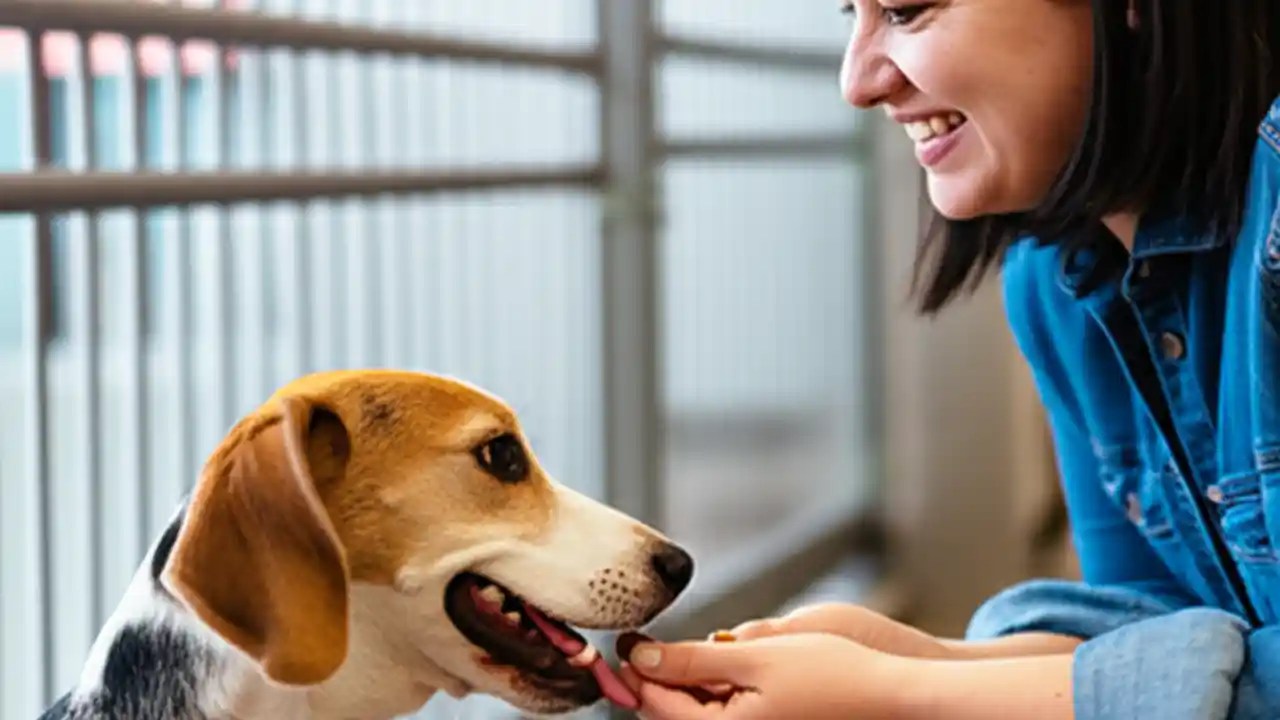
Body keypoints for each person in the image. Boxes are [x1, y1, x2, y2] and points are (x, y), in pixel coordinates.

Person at [616, 1, 1280, 718]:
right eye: (852, 13)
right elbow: (1164, 638)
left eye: (905, 11)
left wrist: (915, 696)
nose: (858, 81)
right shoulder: (1055, 286)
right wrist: (926, 661)